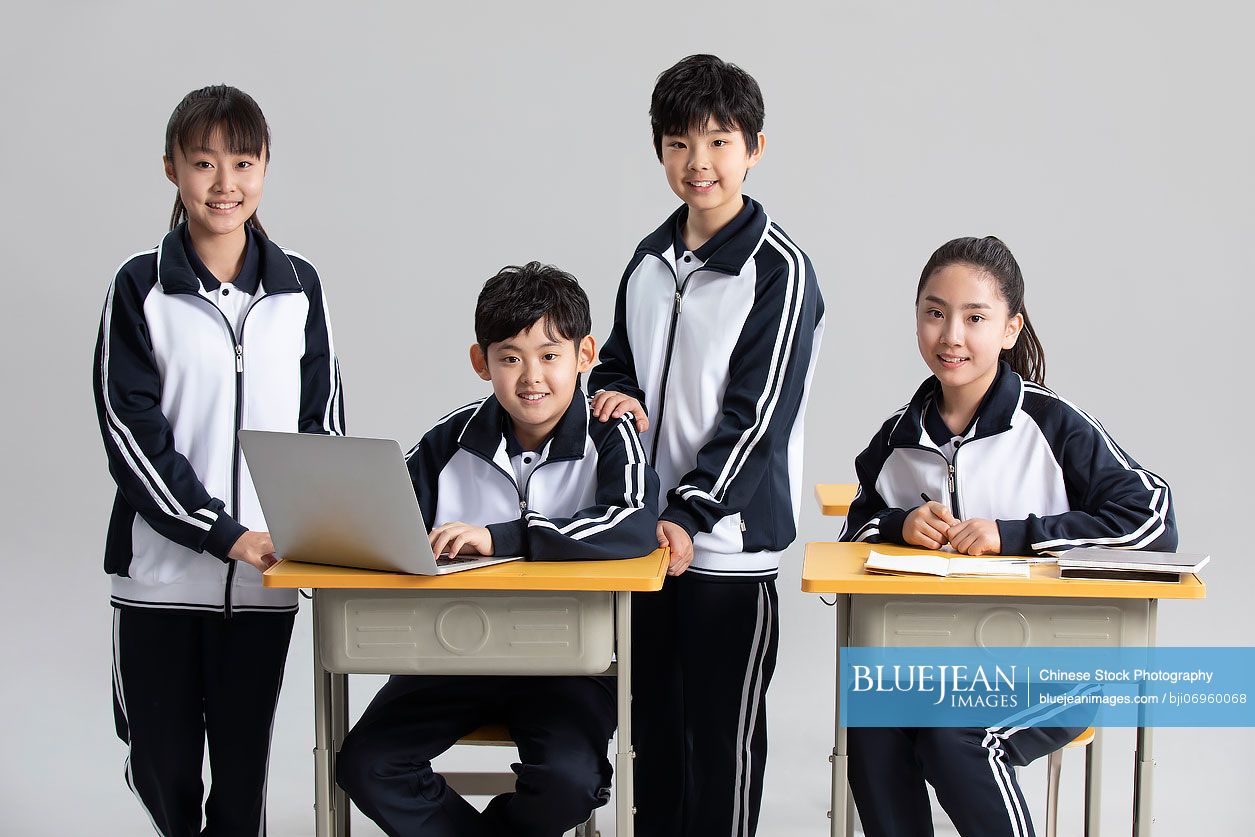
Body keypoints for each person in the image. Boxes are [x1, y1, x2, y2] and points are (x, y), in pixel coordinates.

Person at [840, 235, 1177, 837]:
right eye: (935, 313)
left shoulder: (1053, 425)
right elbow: (853, 529)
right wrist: (899, 524)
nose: (952, 336)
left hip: (1055, 661)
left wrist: (1015, 535)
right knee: (873, 717)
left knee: (955, 737)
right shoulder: (898, 437)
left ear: (1010, 329)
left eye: (975, 318)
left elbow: (1151, 518)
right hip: (937, 657)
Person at [93, 84, 344, 835]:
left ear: (265, 166)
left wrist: (315, 532)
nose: (224, 182)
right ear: (171, 169)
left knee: (242, 780)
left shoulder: (298, 287)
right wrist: (221, 531)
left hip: (266, 580)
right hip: (160, 578)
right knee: (160, 765)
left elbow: (320, 426)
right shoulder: (140, 286)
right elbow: (131, 436)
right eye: (203, 162)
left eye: (242, 161)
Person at [335, 261, 659, 837]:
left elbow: (632, 526)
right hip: (450, 655)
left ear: (585, 355)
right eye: (510, 357)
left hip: (569, 665)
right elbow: (386, 522)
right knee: (366, 765)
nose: (531, 376)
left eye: (550, 355)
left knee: (569, 780)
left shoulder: (611, 436)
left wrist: (503, 536)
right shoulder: (449, 438)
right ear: (480, 362)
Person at [588, 54, 825, 836]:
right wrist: (606, 392)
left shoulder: (778, 272)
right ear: (660, 151)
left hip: (728, 546)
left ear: (754, 148)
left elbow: (753, 418)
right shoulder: (649, 259)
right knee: (654, 740)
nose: (699, 163)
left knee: (719, 746)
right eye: (680, 143)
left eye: (720, 141)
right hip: (647, 543)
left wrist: (689, 514)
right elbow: (616, 363)